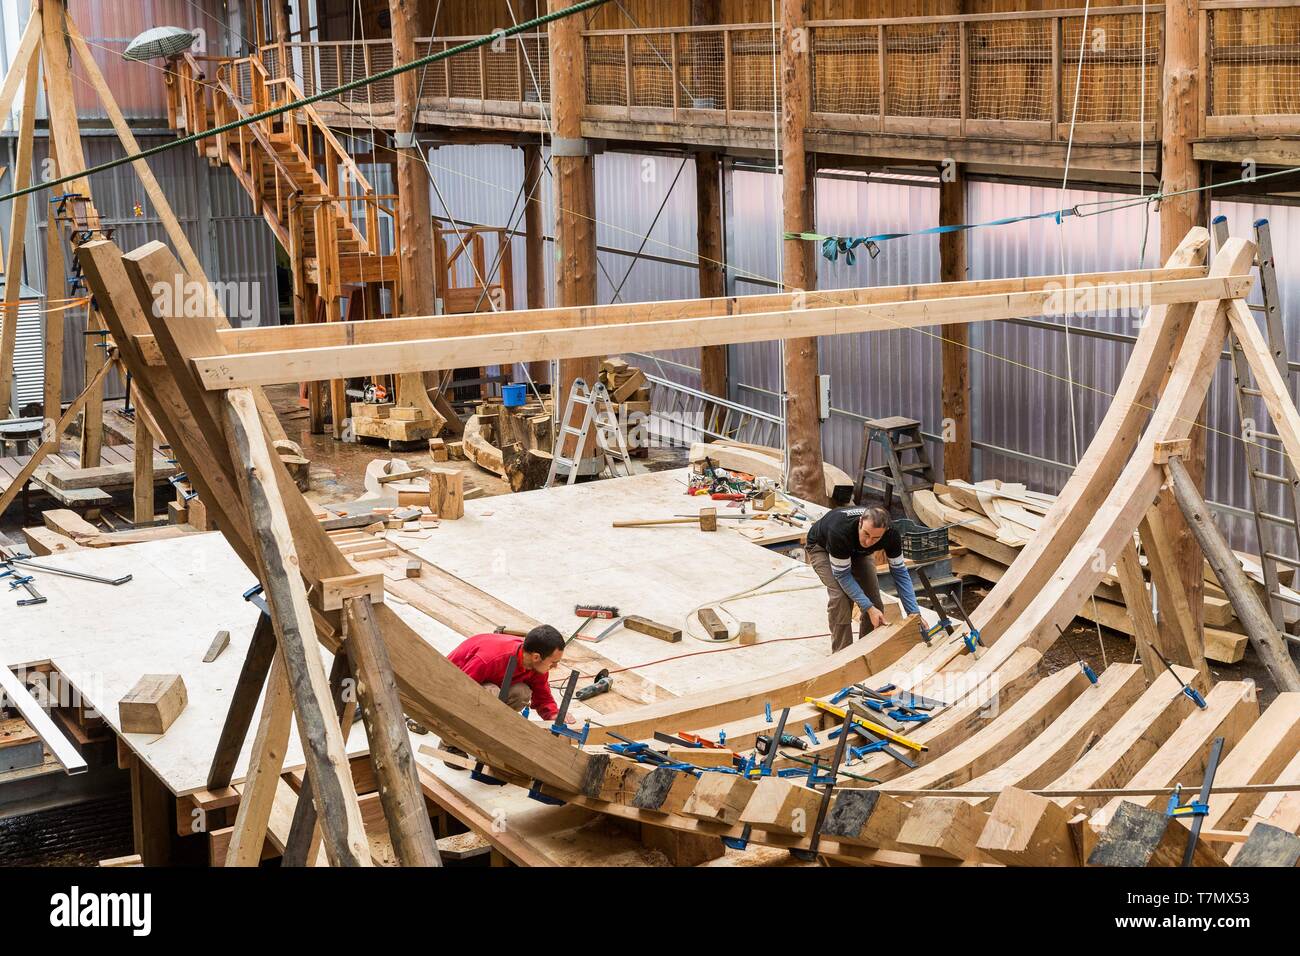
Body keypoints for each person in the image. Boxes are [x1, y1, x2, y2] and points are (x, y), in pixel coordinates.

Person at [805, 505, 921, 652]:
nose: (868, 541)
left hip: (858, 553)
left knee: (875, 603)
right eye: (866, 534)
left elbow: (900, 574)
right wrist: (868, 608)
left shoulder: (892, 535)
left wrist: (914, 613)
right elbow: (843, 575)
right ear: (860, 522)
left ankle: (866, 651)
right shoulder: (839, 530)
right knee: (841, 598)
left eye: (875, 538)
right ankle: (842, 654)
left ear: (885, 532)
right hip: (822, 548)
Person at [446, 624, 575, 724]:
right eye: (553, 662)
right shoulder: (490, 659)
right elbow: (458, 689)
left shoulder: (536, 665)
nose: (555, 666)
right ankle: (451, 742)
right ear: (536, 657)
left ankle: (488, 730)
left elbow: (542, 696)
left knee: (521, 693)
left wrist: (553, 714)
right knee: (492, 692)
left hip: (488, 683)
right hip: (452, 681)